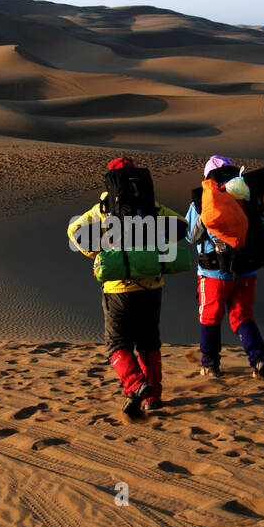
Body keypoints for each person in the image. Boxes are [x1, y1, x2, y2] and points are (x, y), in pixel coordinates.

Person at [67, 157, 188, 417]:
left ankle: (135, 384)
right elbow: (182, 227)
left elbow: (74, 231)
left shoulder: (103, 207)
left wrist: (100, 252)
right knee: (148, 342)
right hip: (152, 285)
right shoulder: (151, 205)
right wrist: (154, 240)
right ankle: (152, 398)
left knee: (117, 342)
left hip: (117, 286)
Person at [186, 155, 264, 378]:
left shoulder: (203, 198)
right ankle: (260, 361)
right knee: (243, 315)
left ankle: (210, 365)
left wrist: (205, 216)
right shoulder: (246, 193)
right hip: (247, 268)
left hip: (213, 272)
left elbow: (190, 237)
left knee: (210, 316)